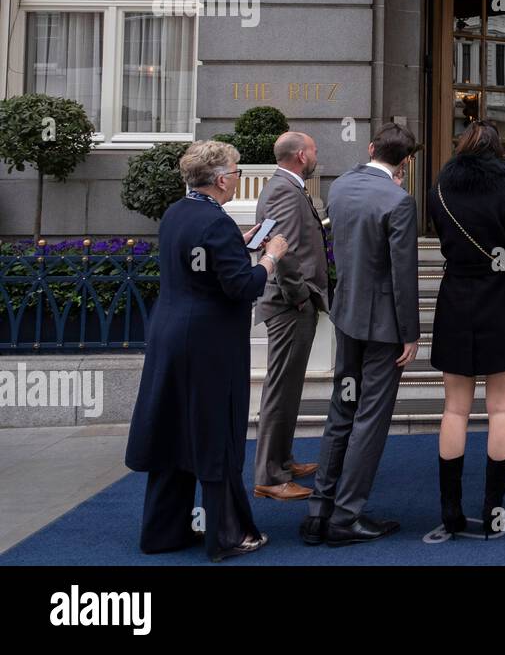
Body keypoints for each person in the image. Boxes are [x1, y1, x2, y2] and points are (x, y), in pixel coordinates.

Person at [125, 140, 289, 563]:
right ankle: (228, 534)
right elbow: (242, 286)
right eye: (234, 172)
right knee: (217, 433)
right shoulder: (215, 224)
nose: (236, 178)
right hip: (209, 343)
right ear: (220, 179)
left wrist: (240, 245)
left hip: (169, 334)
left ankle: (163, 532)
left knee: (172, 430)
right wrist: (269, 257)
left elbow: (199, 263)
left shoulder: (177, 214)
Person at [301, 122, 420, 547]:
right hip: (384, 324)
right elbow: (404, 274)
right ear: (405, 163)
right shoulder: (399, 201)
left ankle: (320, 509)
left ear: (370, 148)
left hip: (347, 313)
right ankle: (347, 515)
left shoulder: (343, 186)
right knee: (371, 416)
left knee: (343, 406)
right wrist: (411, 333)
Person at [430, 121, 505, 538]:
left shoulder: (440, 189)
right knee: (501, 410)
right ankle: (493, 511)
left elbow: (442, 238)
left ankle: (450, 511)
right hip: (502, 300)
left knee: (454, 410)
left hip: (456, 296)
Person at [252, 131, 329, 501]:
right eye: (314, 149)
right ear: (301, 155)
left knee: (288, 386)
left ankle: (282, 460)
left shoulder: (288, 186)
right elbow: (281, 249)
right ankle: (271, 474)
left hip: (291, 303)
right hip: (288, 305)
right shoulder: (284, 189)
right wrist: (300, 297)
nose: (317, 155)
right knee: (281, 389)